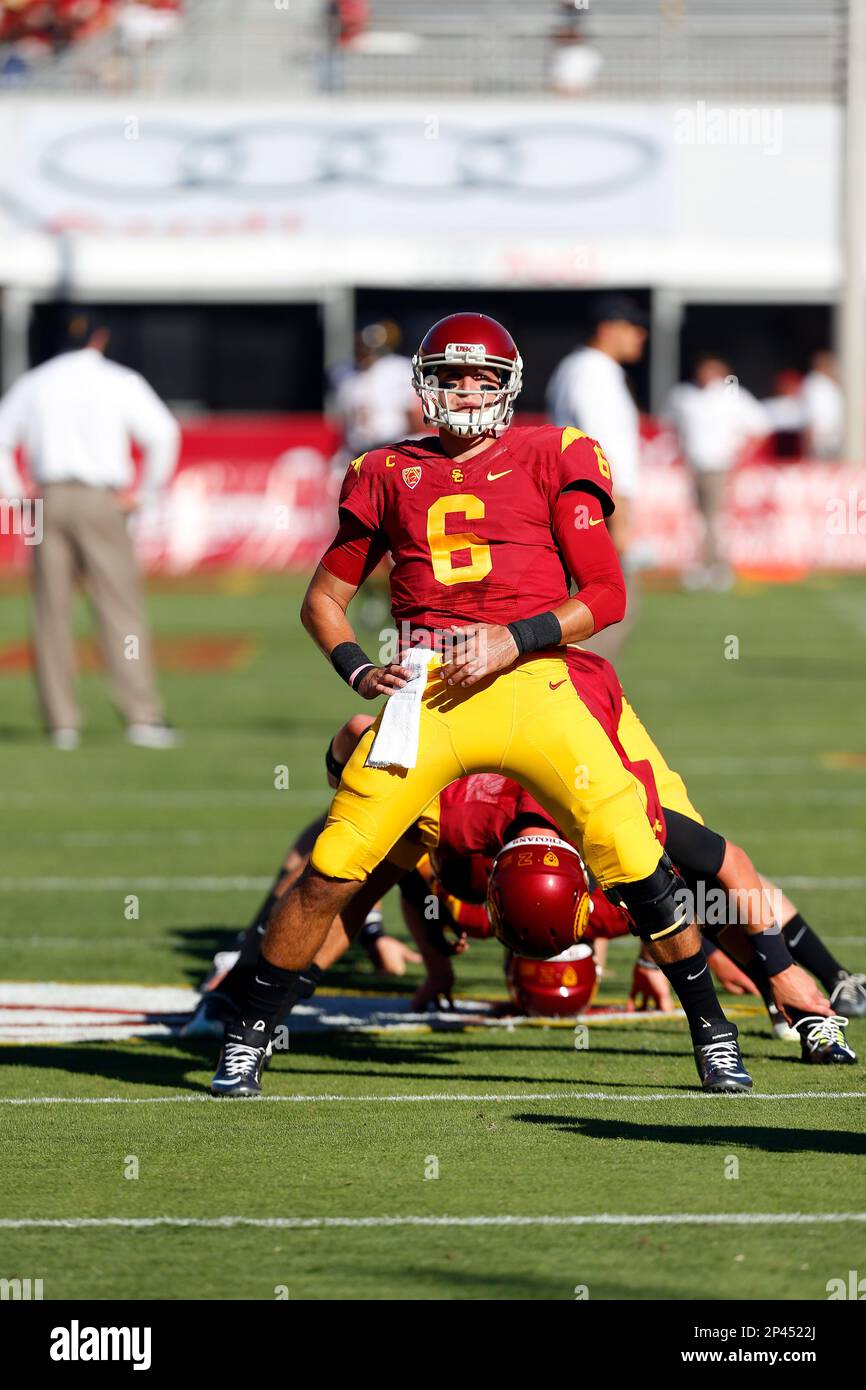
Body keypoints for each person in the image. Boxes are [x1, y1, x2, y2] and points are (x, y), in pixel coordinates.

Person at [209, 311, 801, 1098]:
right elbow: (323, 599)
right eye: (450, 376)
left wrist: (511, 640)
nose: (464, 390)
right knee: (331, 866)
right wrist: (358, 671)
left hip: (534, 681)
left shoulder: (554, 453)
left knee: (637, 858)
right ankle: (248, 1033)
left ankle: (713, 1032)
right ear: (425, 384)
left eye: (480, 376)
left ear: (506, 386)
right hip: (429, 690)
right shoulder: (386, 469)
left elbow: (606, 594)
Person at [0, 315, 180, 749]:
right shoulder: (120, 380)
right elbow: (164, 433)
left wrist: (15, 496)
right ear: (100, 338)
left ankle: (62, 722)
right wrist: (146, 493)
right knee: (120, 610)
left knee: (49, 612)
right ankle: (142, 717)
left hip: (46, 498)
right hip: (103, 498)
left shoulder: (36, 381)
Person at [545, 293, 647, 659]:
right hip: (594, 504)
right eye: (633, 326)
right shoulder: (593, 370)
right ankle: (575, 693)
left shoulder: (583, 367)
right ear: (608, 328)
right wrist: (617, 513)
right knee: (609, 604)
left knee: (600, 605)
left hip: (586, 501)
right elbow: (598, 448)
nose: (641, 335)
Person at [664, 354, 770, 590]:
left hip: (719, 465)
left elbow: (760, 426)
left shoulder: (732, 397)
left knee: (714, 519)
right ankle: (702, 565)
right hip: (694, 465)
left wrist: (739, 459)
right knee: (699, 519)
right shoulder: (685, 396)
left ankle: (716, 567)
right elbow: (671, 425)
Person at [799, 350, 843, 460]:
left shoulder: (830, 384)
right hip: (820, 438)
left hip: (833, 437)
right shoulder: (815, 384)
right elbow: (813, 413)